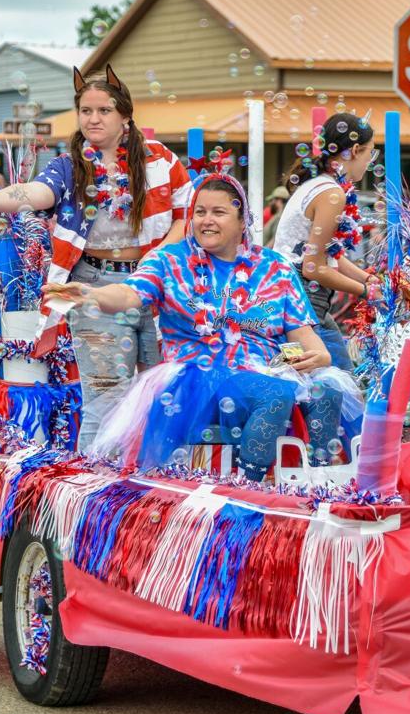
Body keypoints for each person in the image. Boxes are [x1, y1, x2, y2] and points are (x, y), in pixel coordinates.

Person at [45, 174, 356, 478]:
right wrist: (93, 294)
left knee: (327, 391)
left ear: (241, 220)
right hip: (197, 375)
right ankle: (247, 494)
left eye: (219, 212)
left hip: (267, 367)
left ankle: (319, 486)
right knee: (275, 394)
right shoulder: (169, 260)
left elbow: (305, 338)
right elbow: (129, 294)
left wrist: (319, 357)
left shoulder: (275, 268)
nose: (207, 220)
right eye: (199, 212)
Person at [0, 65, 193, 448]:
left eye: (104, 110)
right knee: (105, 401)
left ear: (126, 115)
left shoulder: (160, 161)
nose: (93, 118)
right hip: (94, 287)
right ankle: (93, 493)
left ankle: (150, 493)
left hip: (158, 286)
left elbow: (186, 215)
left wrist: (161, 256)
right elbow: (37, 193)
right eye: (86, 110)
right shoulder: (70, 166)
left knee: (160, 399)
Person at [273, 112, 376, 369]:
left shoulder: (319, 184)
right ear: (354, 150)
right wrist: (367, 292)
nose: (370, 161)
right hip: (301, 299)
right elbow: (312, 267)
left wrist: (367, 279)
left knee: (340, 377)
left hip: (294, 294)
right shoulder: (331, 193)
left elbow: (330, 255)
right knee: (302, 379)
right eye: (370, 153)